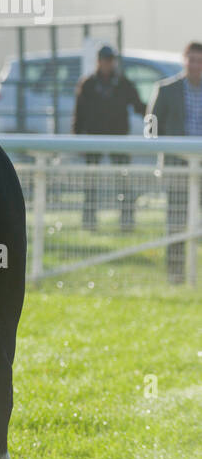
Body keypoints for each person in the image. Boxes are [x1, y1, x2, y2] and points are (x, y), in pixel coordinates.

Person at [73, 45, 147, 232]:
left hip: (118, 138)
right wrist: (77, 139)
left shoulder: (123, 83)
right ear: (99, 61)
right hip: (93, 138)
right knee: (90, 184)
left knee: (123, 182)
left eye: (111, 60)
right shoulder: (88, 83)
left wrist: (155, 112)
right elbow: (79, 115)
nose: (108, 63)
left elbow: (139, 106)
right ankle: (89, 224)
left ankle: (127, 223)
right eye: (106, 60)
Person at [146, 41, 202, 283]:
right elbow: (150, 126)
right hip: (178, 166)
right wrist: (163, 153)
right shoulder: (167, 89)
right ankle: (176, 274)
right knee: (177, 221)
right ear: (184, 60)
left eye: (199, 61)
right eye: (192, 60)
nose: (195, 65)